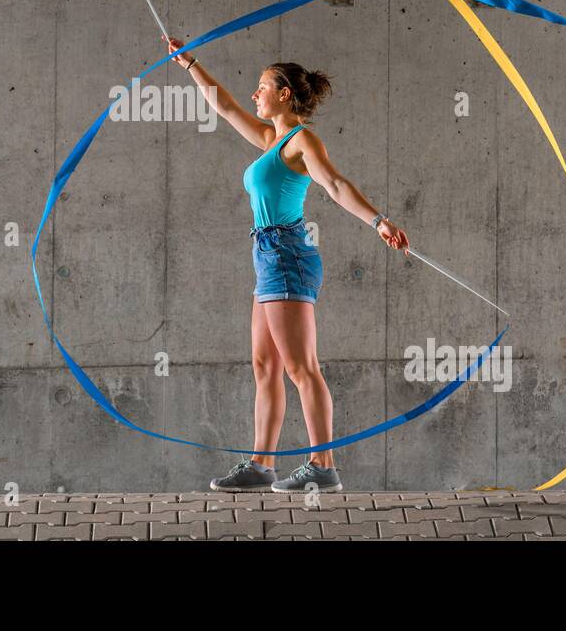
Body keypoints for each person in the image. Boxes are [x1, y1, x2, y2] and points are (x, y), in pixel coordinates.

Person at [162, 35, 410, 494]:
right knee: (265, 366)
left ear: (284, 95)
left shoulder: (300, 141)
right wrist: (189, 62)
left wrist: (379, 221)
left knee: (301, 367)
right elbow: (226, 107)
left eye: (262, 86)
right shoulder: (270, 139)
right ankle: (261, 464)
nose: (254, 94)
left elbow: (334, 185)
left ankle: (323, 465)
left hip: (287, 256)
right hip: (267, 256)